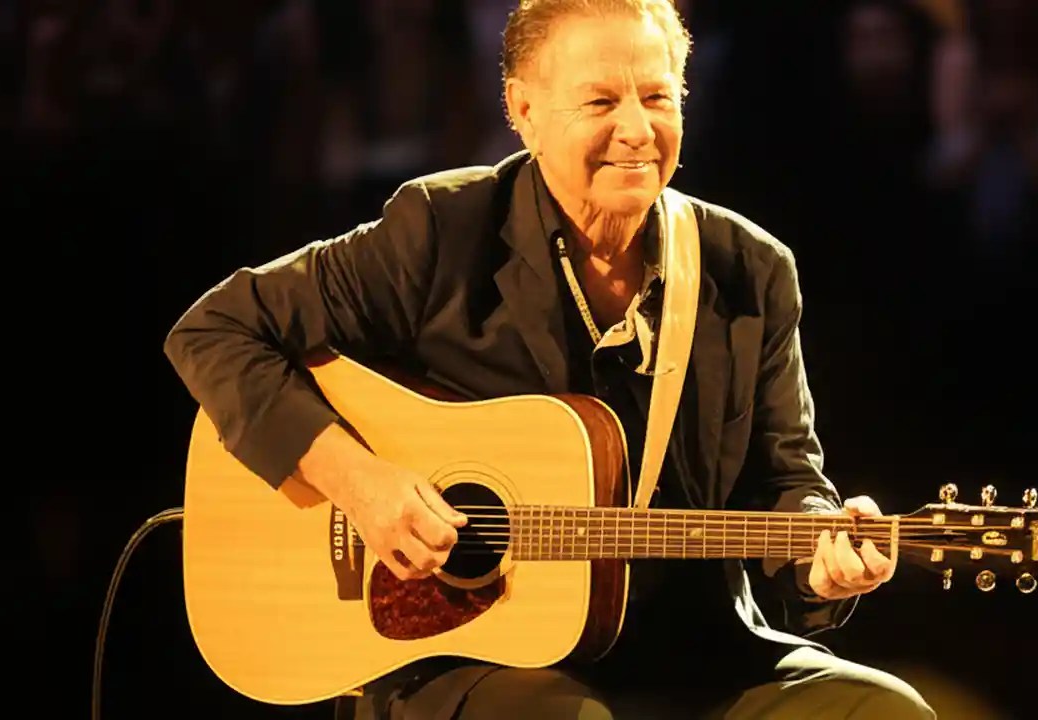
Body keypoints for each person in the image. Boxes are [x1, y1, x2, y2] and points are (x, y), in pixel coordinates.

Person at [163, 1, 936, 718]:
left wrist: (822, 559)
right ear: (523, 111)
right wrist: (358, 484)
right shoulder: (442, 230)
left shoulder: (751, 270)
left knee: (885, 709)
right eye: (602, 102)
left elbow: (787, 484)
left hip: (693, 651)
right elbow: (215, 331)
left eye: (659, 98)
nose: (637, 130)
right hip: (465, 656)